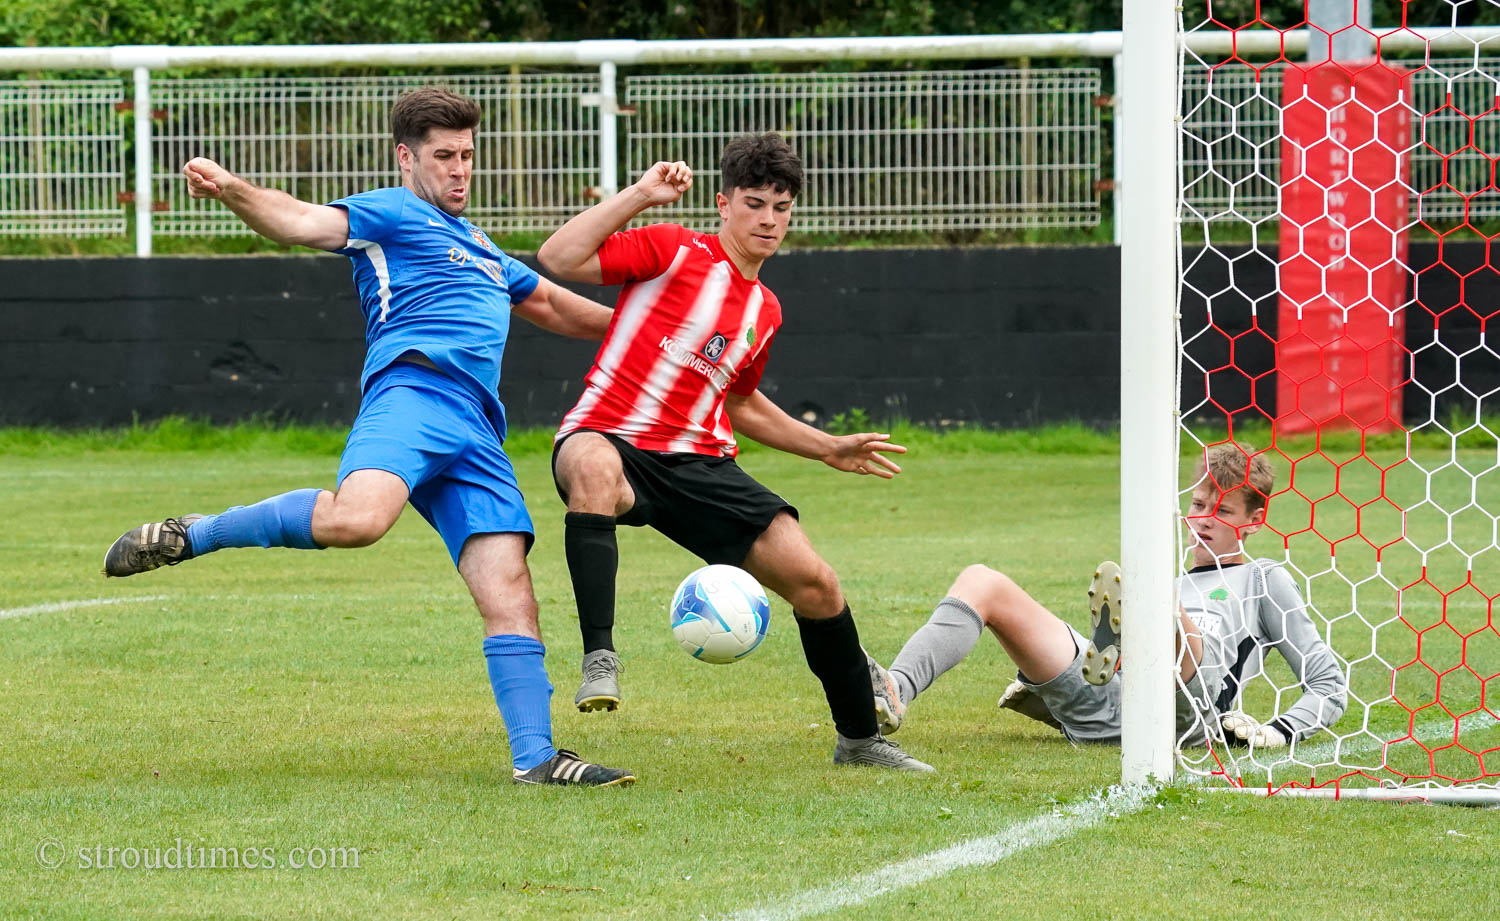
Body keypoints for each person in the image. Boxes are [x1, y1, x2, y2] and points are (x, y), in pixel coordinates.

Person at [101, 87, 635, 787]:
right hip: (413, 395)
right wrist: (233, 189)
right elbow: (298, 221)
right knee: (357, 521)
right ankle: (196, 533)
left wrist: (657, 332)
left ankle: (535, 758)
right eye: (443, 156)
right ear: (406, 158)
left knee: (510, 591)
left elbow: (556, 307)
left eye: (467, 155)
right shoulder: (390, 212)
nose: (459, 170)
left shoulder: (483, 247)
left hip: (478, 430)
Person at [536, 133, 931, 771]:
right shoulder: (671, 248)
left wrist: (826, 447)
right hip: (609, 433)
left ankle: (860, 741)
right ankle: (599, 657)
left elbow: (740, 404)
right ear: (723, 204)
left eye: (781, 207)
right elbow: (558, 256)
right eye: (754, 204)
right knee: (593, 467)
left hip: (699, 461)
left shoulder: (764, 310)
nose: (769, 219)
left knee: (817, 584)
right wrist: (641, 194)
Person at [869, 442, 1348, 750]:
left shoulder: (1263, 580)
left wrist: (1277, 731)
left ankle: (1132, 639)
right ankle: (894, 692)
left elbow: (1329, 684)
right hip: (1113, 702)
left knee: (1156, 599)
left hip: (1188, 712)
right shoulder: (1173, 582)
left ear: (1254, 521)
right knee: (982, 580)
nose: (1203, 519)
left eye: (1222, 511)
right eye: (1198, 504)